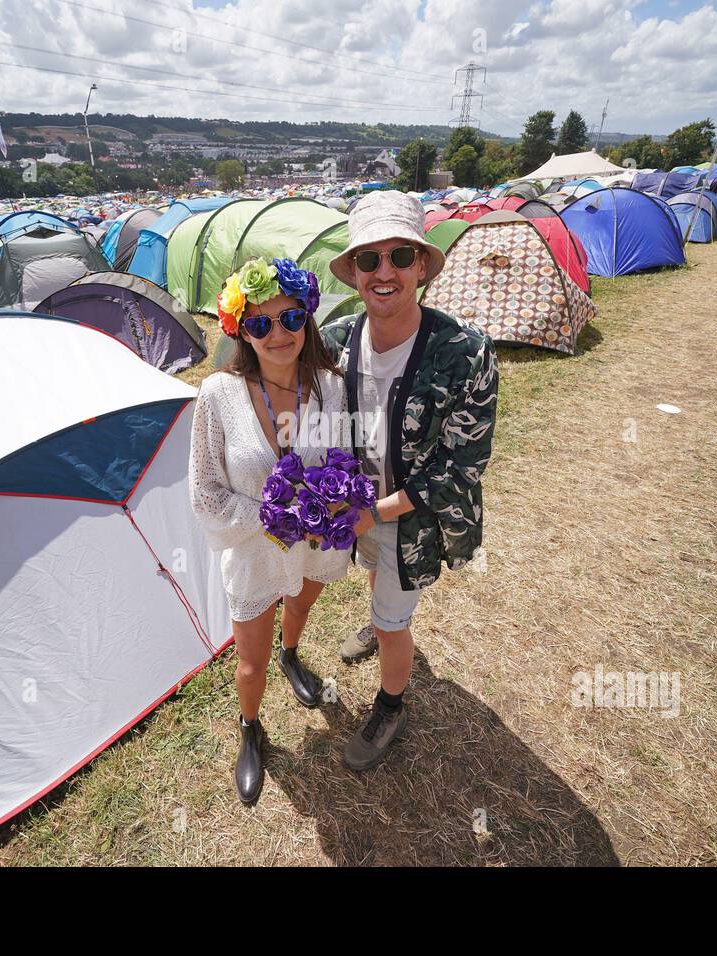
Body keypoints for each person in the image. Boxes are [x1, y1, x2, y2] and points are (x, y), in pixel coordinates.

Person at [320, 191, 498, 771]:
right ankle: (378, 620)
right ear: (354, 274)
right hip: (360, 510)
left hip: (412, 521)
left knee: (395, 622)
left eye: (400, 255)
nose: (385, 271)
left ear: (422, 264)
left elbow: (459, 468)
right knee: (373, 574)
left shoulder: (463, 353)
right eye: (368, 260)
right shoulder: (340, 338)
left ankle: (390, 703)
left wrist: (375, 512)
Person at [188, 256, 349, 804]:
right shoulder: (218, 395)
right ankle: (250, 729)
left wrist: (331, 501)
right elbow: (204, 492)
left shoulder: (328, 387)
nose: (278, 333)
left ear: (309, 316)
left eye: (291, 317)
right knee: (249, 665)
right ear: (240, 331)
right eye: (260, 323)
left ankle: (293, 651)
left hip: (313, 544)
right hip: (253, 553)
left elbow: (340, 458)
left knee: (300, 606)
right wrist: (270, 514)